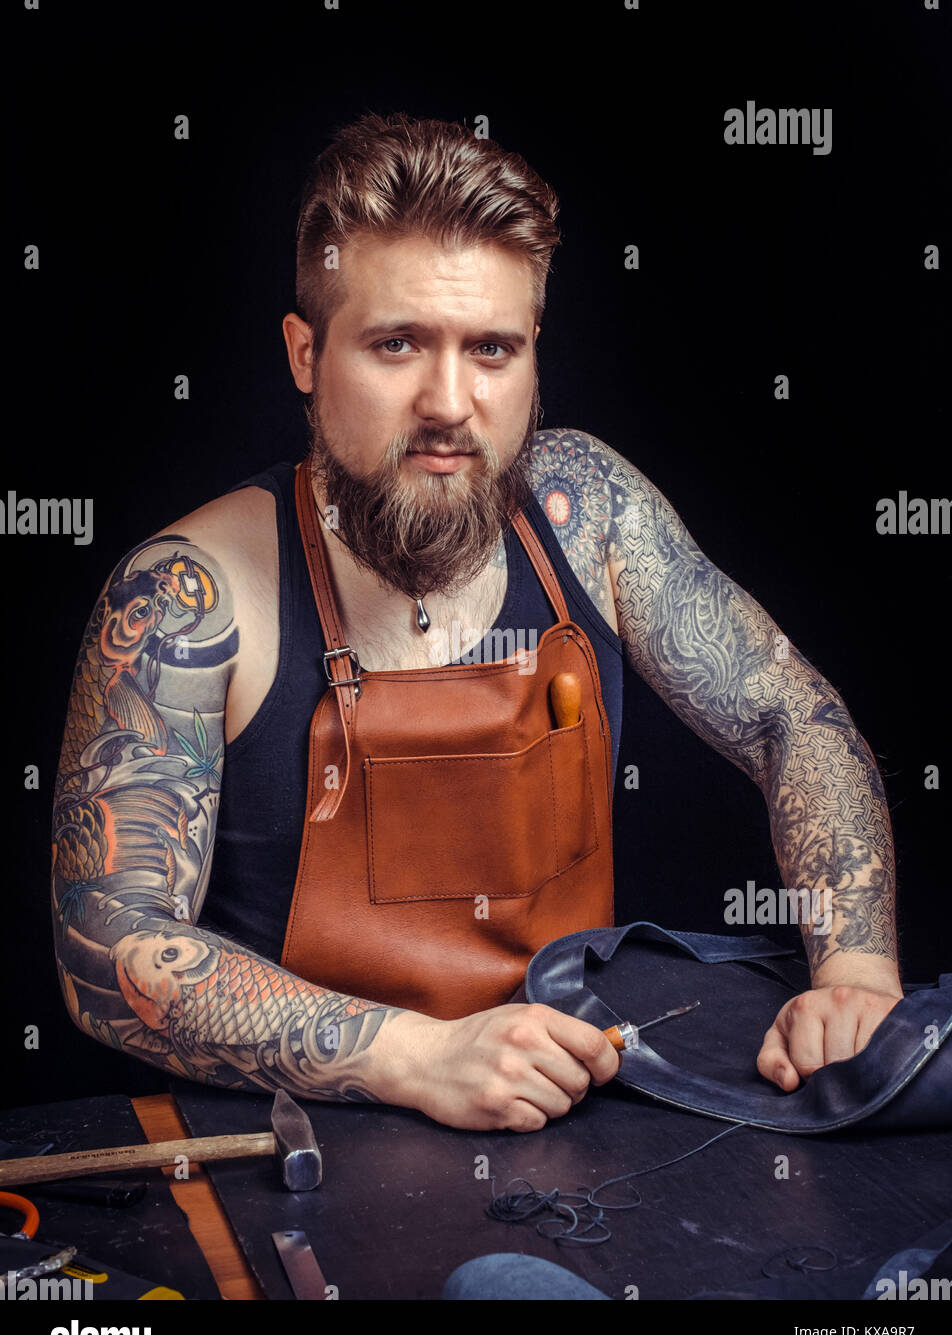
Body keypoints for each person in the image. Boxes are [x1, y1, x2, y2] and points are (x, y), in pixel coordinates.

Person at [51, 113, 902, 1133]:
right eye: (397, 343)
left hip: (570, 1122)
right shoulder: (188, 598)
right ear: (304, 353)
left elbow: (788, 718)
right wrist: (418, 1057)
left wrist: (853, 969)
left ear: (532, 353)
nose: (449, 401)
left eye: (490, 348)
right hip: (290, 1158)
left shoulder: (589, 515)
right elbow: (108, 945)